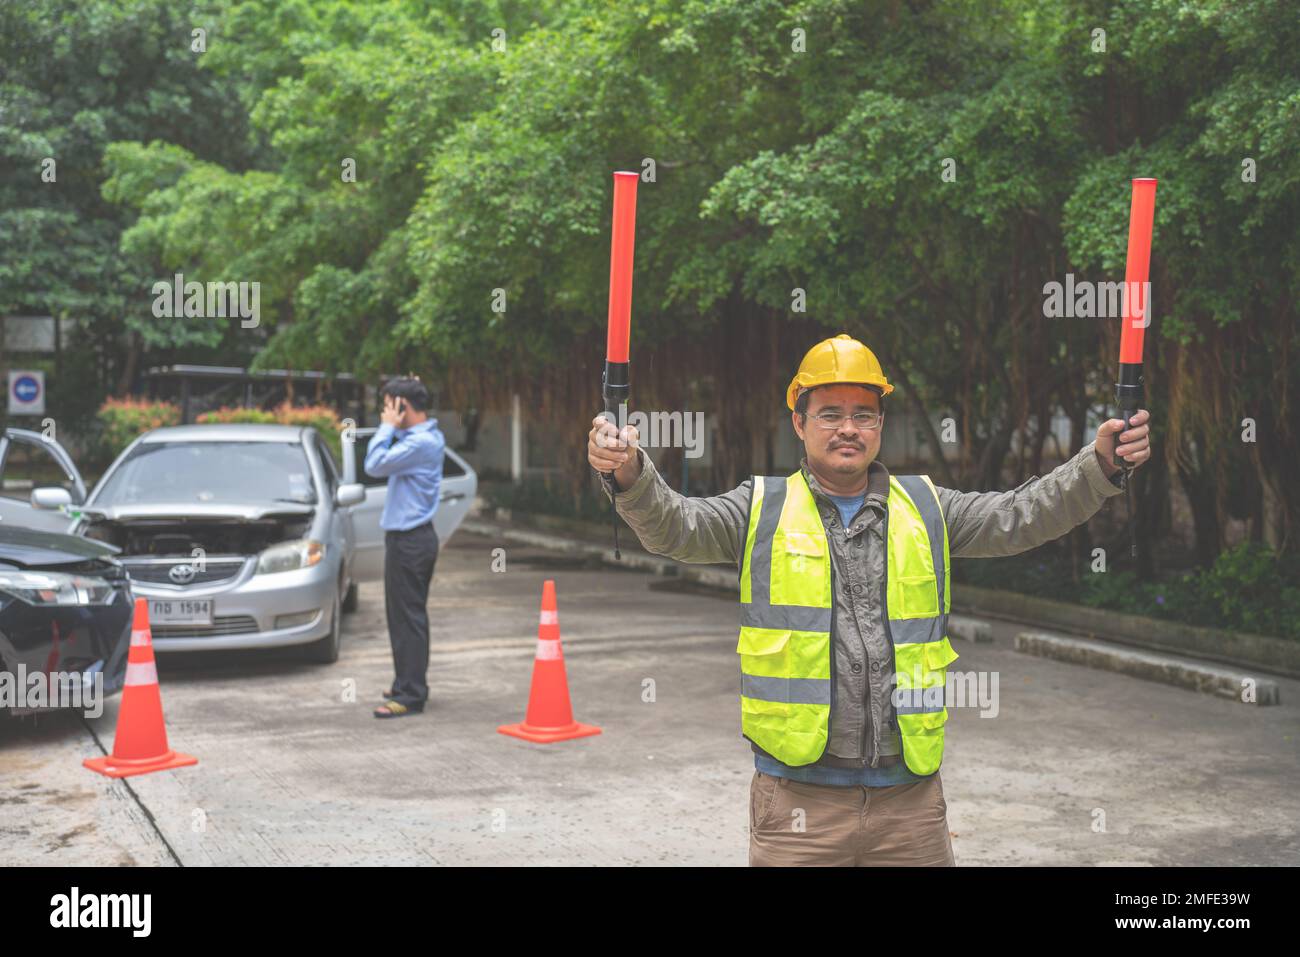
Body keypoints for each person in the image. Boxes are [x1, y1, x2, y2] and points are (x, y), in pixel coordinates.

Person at [586, 334, 1151, 865]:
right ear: (799, 424)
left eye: (863, 414)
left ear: (879, 425)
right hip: (797, 805)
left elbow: (1020, 516)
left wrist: (1098, 465)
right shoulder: (761, 508)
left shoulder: (928, 507)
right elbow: (676, 527)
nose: (847, 428)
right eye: (830, 413)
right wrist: (631, 472)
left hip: (910, 807)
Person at [365, 376, 446, 719]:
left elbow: (373, 464)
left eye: (388, 404)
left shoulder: (421, 443)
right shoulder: (420, 437)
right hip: (409, 539)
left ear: (401, 406)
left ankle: (411, 694)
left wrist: (385, 426)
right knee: (402, 616)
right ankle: (406, 682)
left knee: (408, 617)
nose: (385, 411)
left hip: (411, 540)